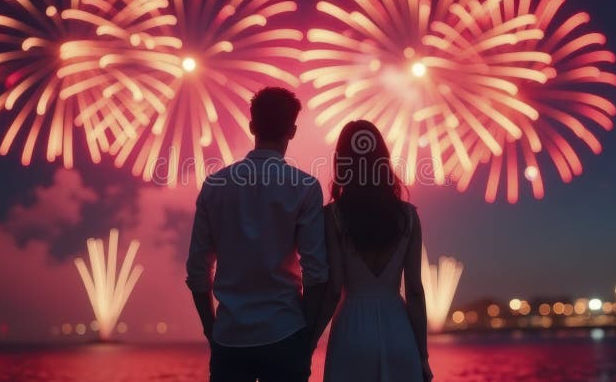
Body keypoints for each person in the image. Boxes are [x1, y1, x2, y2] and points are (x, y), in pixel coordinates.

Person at [186, 87, 328, 382]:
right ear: (292, 130)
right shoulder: (305, 187)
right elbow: (315, 273)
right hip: (285, 331)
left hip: (229, 336)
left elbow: (198, 270)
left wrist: (210, 329)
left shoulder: (214, 185)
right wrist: (308, 335)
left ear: (252, 126)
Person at [314, 120, 434, 382]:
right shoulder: (408, 216)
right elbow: (414, 290)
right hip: (399, 331)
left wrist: (308, 342)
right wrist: (422, 355)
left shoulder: (332, 216)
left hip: (351, 330)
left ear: (342, 162)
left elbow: (334, 290)